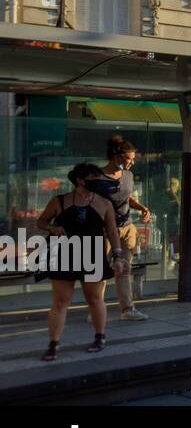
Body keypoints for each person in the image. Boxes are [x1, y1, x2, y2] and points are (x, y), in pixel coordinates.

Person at [34, 163, 128, 361]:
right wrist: (52, 228)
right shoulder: (59, 201)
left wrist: (118, 256)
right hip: (64, 254)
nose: (100, 182)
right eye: (95, 178)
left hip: (92, 254)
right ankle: (54, 344)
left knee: (94, 298)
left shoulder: (104, 203)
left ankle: (100, 337)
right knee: (60, 302)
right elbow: (41, 221)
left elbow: (112, 232)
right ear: (80, 180)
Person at [99, 135, 150, 321]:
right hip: (104, 231)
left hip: (126, 227)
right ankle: (96, 307)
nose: (132, 163)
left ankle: (127, 309)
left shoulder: (128, 175)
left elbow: (128, 198)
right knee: (101, 270)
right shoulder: (99, 177)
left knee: (124, 269)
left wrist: (142, 208)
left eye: (133, 159)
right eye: (129, 159)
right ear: (117, 156)